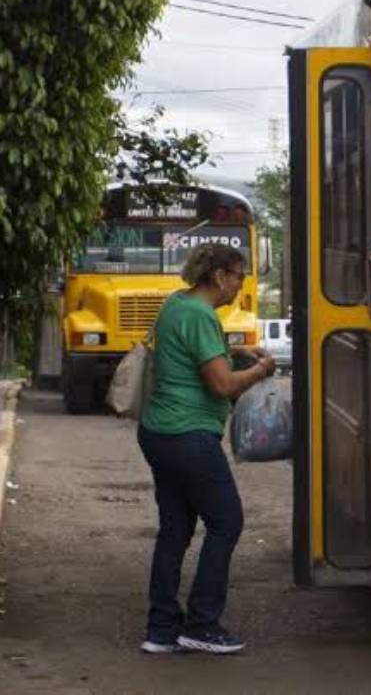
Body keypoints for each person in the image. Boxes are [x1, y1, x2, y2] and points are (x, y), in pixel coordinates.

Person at [137, 243, 276, 655]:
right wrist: (260, 369)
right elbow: (223, 385)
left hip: (158, 432)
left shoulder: (178, 305)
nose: (240, 284)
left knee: (176, 530)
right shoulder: (201, 315)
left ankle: (161, 630)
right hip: (189, 434)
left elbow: (188, 350)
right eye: (237, 275)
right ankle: (202, 623)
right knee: (226, 522)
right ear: (218, 276)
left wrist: (234, 351)